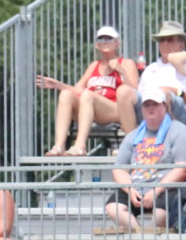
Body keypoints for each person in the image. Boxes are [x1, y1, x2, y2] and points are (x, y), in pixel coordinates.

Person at [105, 90, 186, 240]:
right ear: (142, 109)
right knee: (113, 207)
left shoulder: (179, 131)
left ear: (164, 107)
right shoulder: (133, 135)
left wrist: (156, 190)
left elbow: (183, 168)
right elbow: (119, 169)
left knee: (161, 213)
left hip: (167, 187)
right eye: (147, 105)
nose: (150, 108)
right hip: (137, 186)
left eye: (155, 104)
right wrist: (130, 189)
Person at [37, 25, 139, 157]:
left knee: (88, 95)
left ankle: (80, 146)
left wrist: (121, 71)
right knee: (66, 94)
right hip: (90, 108)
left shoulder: (126, 63)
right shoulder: (94, 65)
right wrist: (58, 85)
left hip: (114, 109)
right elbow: (77, 90)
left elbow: (134, 93)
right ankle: (59, 145)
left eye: (109, 38)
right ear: (97, 45)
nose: (105, 42)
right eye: (101, 39)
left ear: (117, 43)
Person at [139, 20, 186, 124]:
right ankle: (133, 138)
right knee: (125, 92)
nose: (165, 43)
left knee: (165, 94)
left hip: (182, 118)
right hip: (149, 113)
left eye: (170, 39)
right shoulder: (150, 69)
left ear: (181, 45)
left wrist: (177, 93)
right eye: (162, 40)